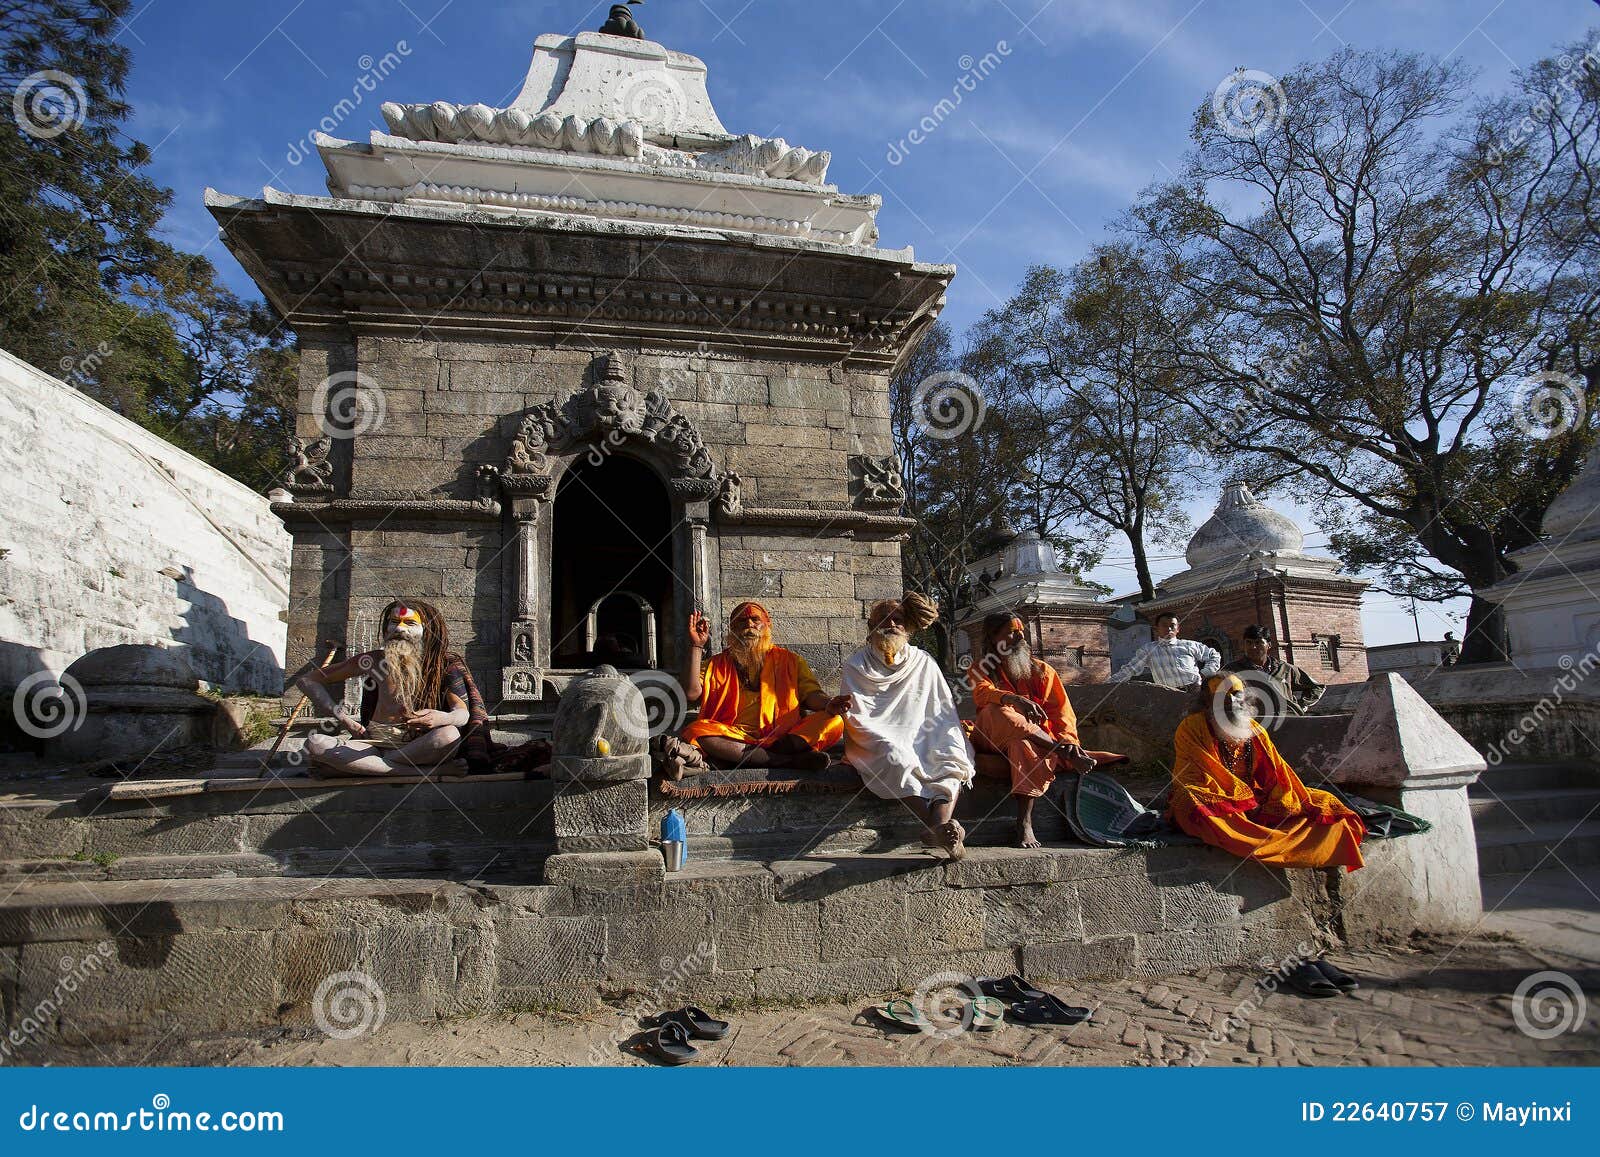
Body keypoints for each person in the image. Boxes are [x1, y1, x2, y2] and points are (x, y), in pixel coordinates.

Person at [1168, 673, 1365, 871]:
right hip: (1212, 792)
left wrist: (1273, 799)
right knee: (1192, 799)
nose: (1232, 702)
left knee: (1322, 803)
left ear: (1244, 697)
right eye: (1222, 697)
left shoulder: (1253, 729)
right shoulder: (1191, 727)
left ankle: (1286, 844)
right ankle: (1262, 842)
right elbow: (1197, 771)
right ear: (1208, 702)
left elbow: (1277, 770)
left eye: (1236, 694)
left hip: (1253, 797)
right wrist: (1239, 797)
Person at [839, 593, 975, 858]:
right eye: (884, 620)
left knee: (953, 756)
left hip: (926, 730)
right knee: (894, 755)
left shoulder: (923, 660)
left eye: (898, 620)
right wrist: (892, 736)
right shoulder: (857, 664)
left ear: (908, 627)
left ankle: (937, 829)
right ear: (871, 627)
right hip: (878, 733)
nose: (891, 625)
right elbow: (858, 715)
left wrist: (939, 735)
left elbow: (941, 709)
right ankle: (939, 829)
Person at [298, 600, 487, 776]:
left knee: (449, 735)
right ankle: (427, 772)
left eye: (409, 623)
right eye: (394, 621)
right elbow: (307, 681)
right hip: (372, 742)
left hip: (420, 744)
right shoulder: (372, 660)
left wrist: (441, 718)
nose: (398, 628)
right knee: (315, 744)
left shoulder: (443, 663)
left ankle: (359, 768)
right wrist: (345, 720)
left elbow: (462, 714)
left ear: (427, 630)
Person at [967, 612, 1097, 849]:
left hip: (1033, 742)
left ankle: (1024, 822)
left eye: (1021, 632)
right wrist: (1012, 699)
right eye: (1011, 632)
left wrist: (1069, 741)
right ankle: (1060, 751)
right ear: (993, 637)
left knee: (1021, 745)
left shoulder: (1042, 671)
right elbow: (982, 694)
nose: (1019, 637)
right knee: (997, 711)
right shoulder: (980, 668)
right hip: (992, 737)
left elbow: (1061, 712)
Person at [678, 601, 848, 771]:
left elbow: (811, 695)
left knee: (834, 721)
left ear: (767, 625)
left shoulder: (791, 661)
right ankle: (785, 761)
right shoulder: (716, 664)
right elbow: (691, 693)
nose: (749, 625)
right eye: (741, 622)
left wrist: (828, 703)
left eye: (755, 619)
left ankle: (754, 758)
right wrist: (697, 646)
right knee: (695, 731)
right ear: (732, 630)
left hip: (783, 738)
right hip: (733, 737)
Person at [1223, 625, 1324, 716]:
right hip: (1255, 726)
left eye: (1258, 643)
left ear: (1269, 645)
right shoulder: (1232, 671)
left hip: (1290, 721)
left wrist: (1300, 705)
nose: (1253, 647)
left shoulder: (1284, 669)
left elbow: (1317, 687)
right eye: (1248, 643)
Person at [1111, 612, 1221, 690]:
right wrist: (1107, 685)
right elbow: (1130, 669)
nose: (1168, 629)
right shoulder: (1148, 650)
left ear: (1178, 629)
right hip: (1168, 696)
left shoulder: (1189, 645)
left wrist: (1205, 673)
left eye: (1172, 626)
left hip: (1195, 691)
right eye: (1164, 625)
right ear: (1156, 629)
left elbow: (1214, 655)